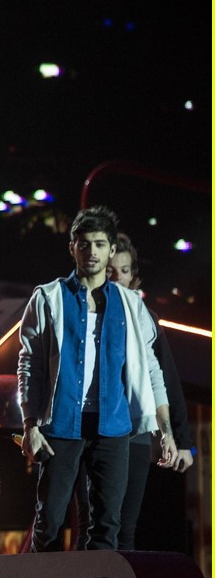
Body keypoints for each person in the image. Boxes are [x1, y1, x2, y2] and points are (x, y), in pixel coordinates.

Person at [17, 205, 176, 552]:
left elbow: (151, 370)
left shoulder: (130, 304)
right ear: (72, 246)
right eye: (85, 243)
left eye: (100, 244)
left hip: (113, 427)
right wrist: (30, 424)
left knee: (107, 525)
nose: (92, 252)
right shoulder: (48, 297)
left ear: (111, 249)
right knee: (50, 520)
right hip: (61, 424)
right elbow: (29, 365)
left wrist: (166, 431)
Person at [103, 232, 194, 549]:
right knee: (99, 527)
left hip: (135, 434)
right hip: (94, 433)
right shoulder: (83, 312)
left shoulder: (144, 318)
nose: (118, 278)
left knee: (126, 529)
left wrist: (177, 437)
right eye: (111, 271)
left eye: (124, 271)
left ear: (133, 275)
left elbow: (163, 375)